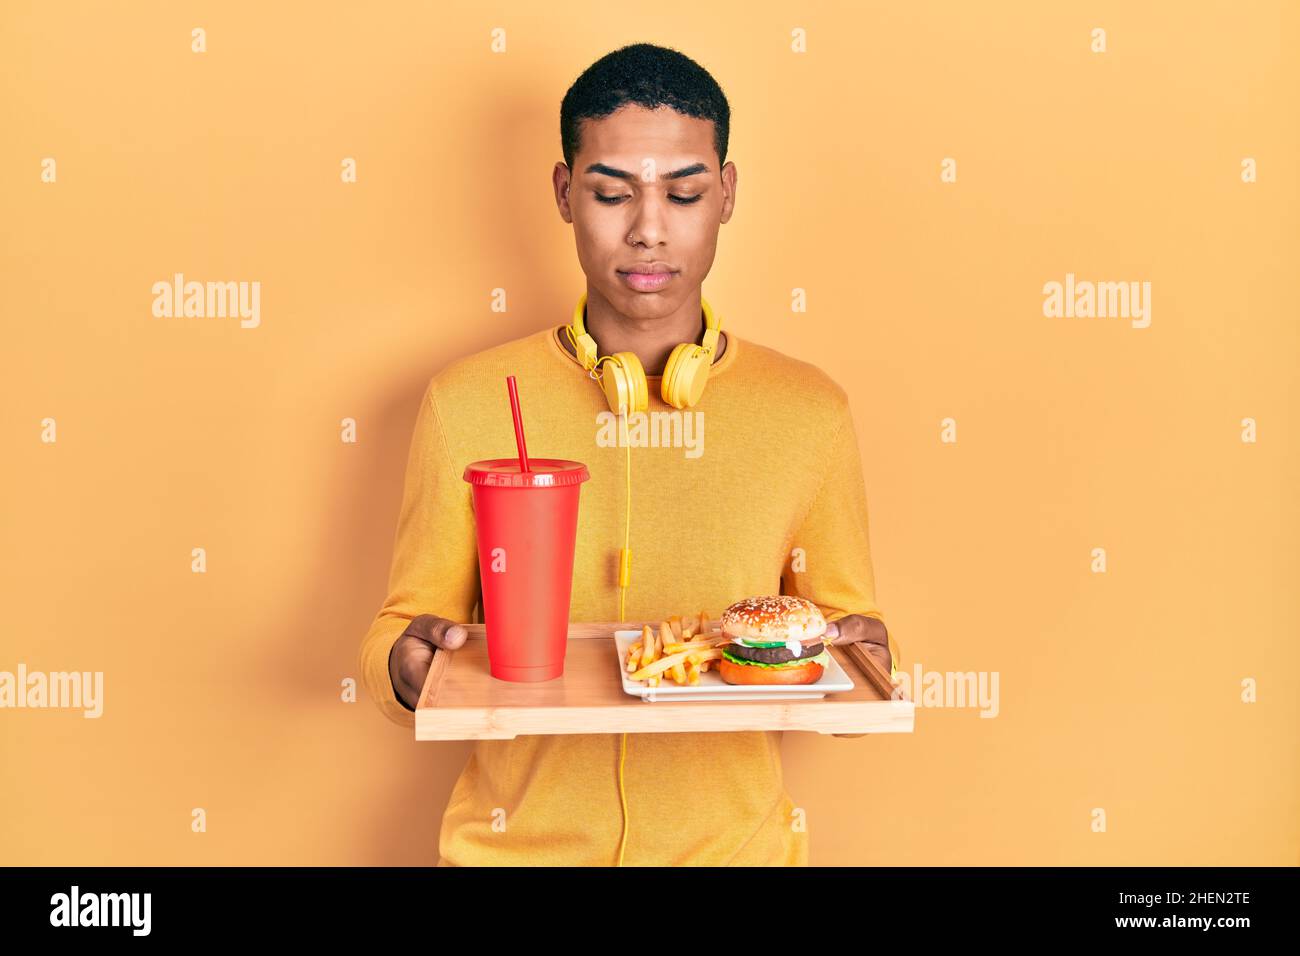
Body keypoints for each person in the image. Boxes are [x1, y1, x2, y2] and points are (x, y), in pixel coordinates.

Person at [358, 41, 900, 866]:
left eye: (683, 193)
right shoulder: (465, 401)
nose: (649, 230)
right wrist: (405, 665)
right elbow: (397, 636)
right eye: (612, 193)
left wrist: (870, 655)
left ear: (725, 195)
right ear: (566, 193)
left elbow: (845, 646)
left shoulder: (808, 412)